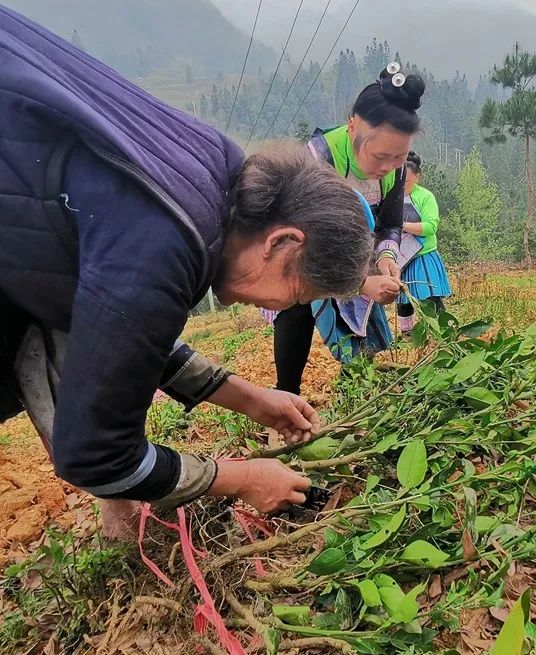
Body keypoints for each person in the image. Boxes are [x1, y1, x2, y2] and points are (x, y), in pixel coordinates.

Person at [0, 7, 376, 537]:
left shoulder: (215, 170)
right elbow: (96, 455)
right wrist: (240, 477)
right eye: (297, 292)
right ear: (283, 241)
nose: (282, 309)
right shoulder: (164, 243)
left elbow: (127, 334)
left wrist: (253, 400)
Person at [269, 63, 425, 391]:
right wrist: (361, 283)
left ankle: (357, 388)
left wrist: (385, 258)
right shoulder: (316, 161)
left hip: (356, 247)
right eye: (379, 156)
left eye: (399, 157)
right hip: (305, 249)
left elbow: (390, 222)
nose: (388, 167)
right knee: (295, 308)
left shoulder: (394, 167)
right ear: (352, 126)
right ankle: (286, 397)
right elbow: (310, 243)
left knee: (365, 324)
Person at [396, 151, 452, 333]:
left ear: (418, 177)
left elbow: (430, 227)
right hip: (401, 256)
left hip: (423, 255)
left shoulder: (425, 197)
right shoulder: (392, 196)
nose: (403, 184)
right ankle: (407, 334)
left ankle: (443, 331)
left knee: (430, 297)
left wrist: (402, 225)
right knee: (403, 299)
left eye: (408, 181)